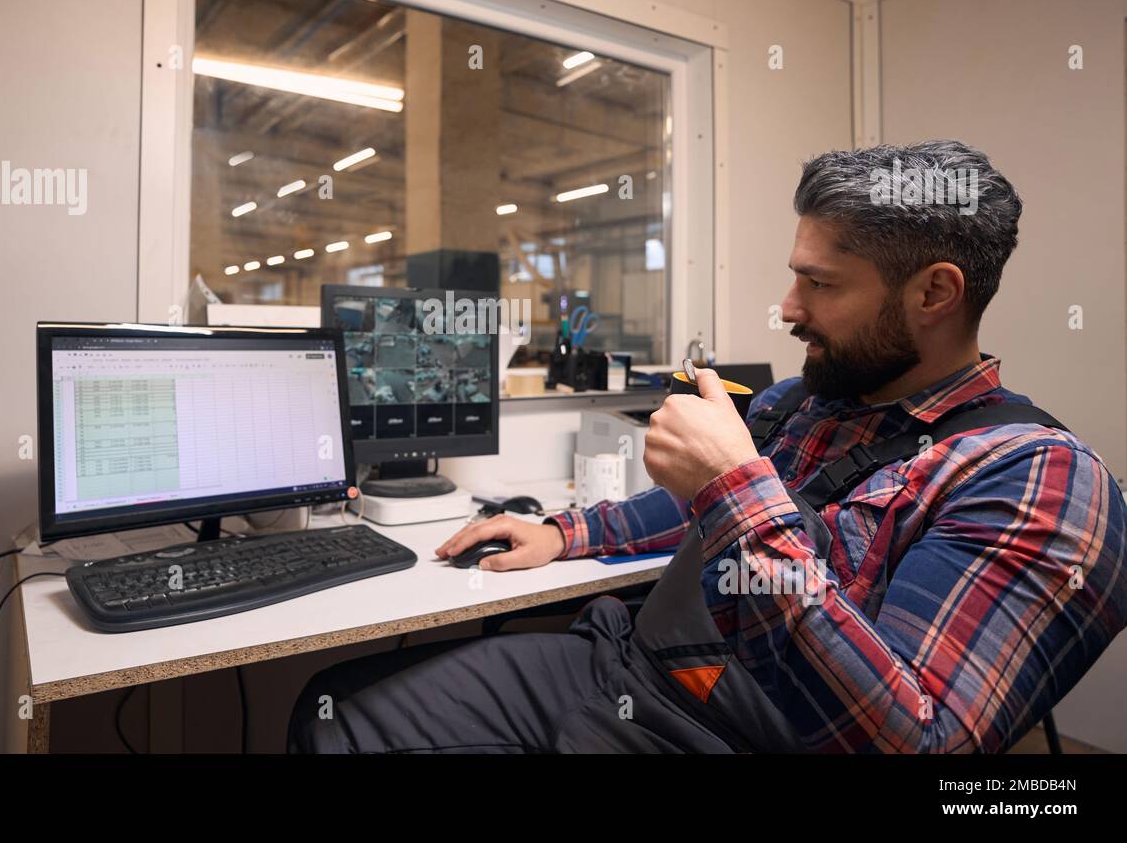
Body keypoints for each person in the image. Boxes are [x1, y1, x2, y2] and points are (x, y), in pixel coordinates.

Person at [288, 140, 1127, 754]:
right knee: (337, 711)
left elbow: (916, 738)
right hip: (631, 672)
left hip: (730, 734)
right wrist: (571, 533)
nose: (788, 307)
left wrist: (734, 488)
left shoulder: (1039, 481)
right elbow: (685, 506)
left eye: (821, 284)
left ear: (935, 292)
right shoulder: (808, 403)